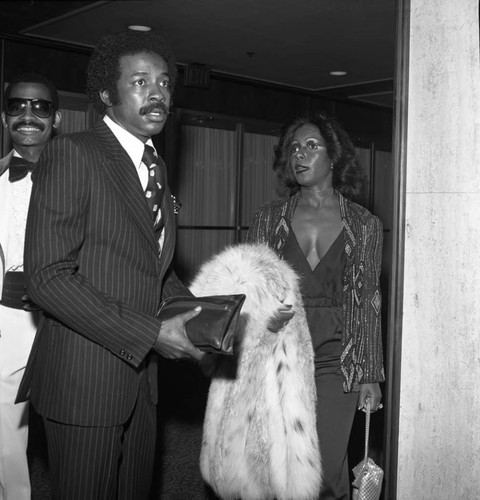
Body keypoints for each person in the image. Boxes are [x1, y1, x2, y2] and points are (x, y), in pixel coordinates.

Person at [16, 31, 204, 500]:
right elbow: (47, 279)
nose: (157, 92)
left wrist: (199, 314)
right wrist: (152, 334)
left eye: (163, 82)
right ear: (106, 93)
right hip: (84, 380)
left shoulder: (153, 165)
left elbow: (150, 268)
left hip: (142, 385)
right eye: (140, 81)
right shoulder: (73, 153)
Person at [246, 111, 385, 500]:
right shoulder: (267, 220)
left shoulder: (364, 224)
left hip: (336, 358)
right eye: (294, 148)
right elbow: (254, 293)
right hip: (282, 354)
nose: (300, 155)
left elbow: (369, 300)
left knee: (320, 466)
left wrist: (369, 373)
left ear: (334, 156)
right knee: (285, 465)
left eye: (312, 145)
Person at [0, 72, 61, 500]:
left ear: (56, 118)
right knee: (6, 434)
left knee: (77, 427)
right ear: (4, 119)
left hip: (69, 319)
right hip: (9, 322)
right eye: (17, 106)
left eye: (40, 107)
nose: (28, 114)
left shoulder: (86, 177)